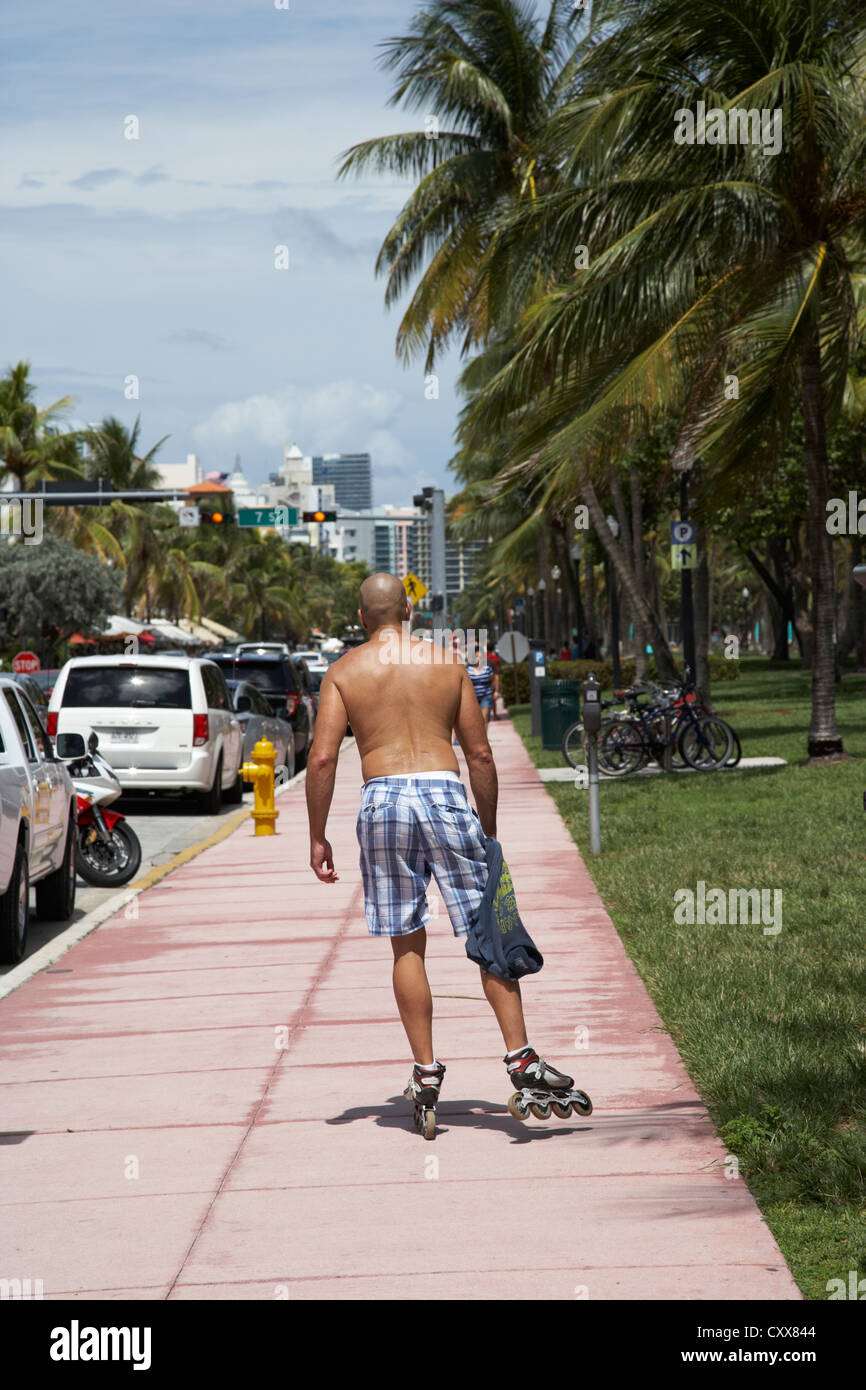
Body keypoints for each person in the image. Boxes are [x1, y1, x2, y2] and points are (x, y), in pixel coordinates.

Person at [305, 573, 579, 1131]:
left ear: (361, 617)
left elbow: (323, 761)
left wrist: (317, 834)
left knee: (407, 944)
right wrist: (490, 828)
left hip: (382, 800)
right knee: (487, 929)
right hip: (444, 791)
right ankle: (520, 1056)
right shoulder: (448, 664)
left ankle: (425, 1071)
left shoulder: (343, 672)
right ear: (407, 609)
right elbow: (479, 755)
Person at [468, 646, 498, 726]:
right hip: (473, 697)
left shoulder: (487, 669)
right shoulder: (468, 670)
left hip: (486, 696)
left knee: (484, 718)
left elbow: (493, 680)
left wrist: (495, 691)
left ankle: (484, 738)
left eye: (480, 657)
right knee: (475, 719)